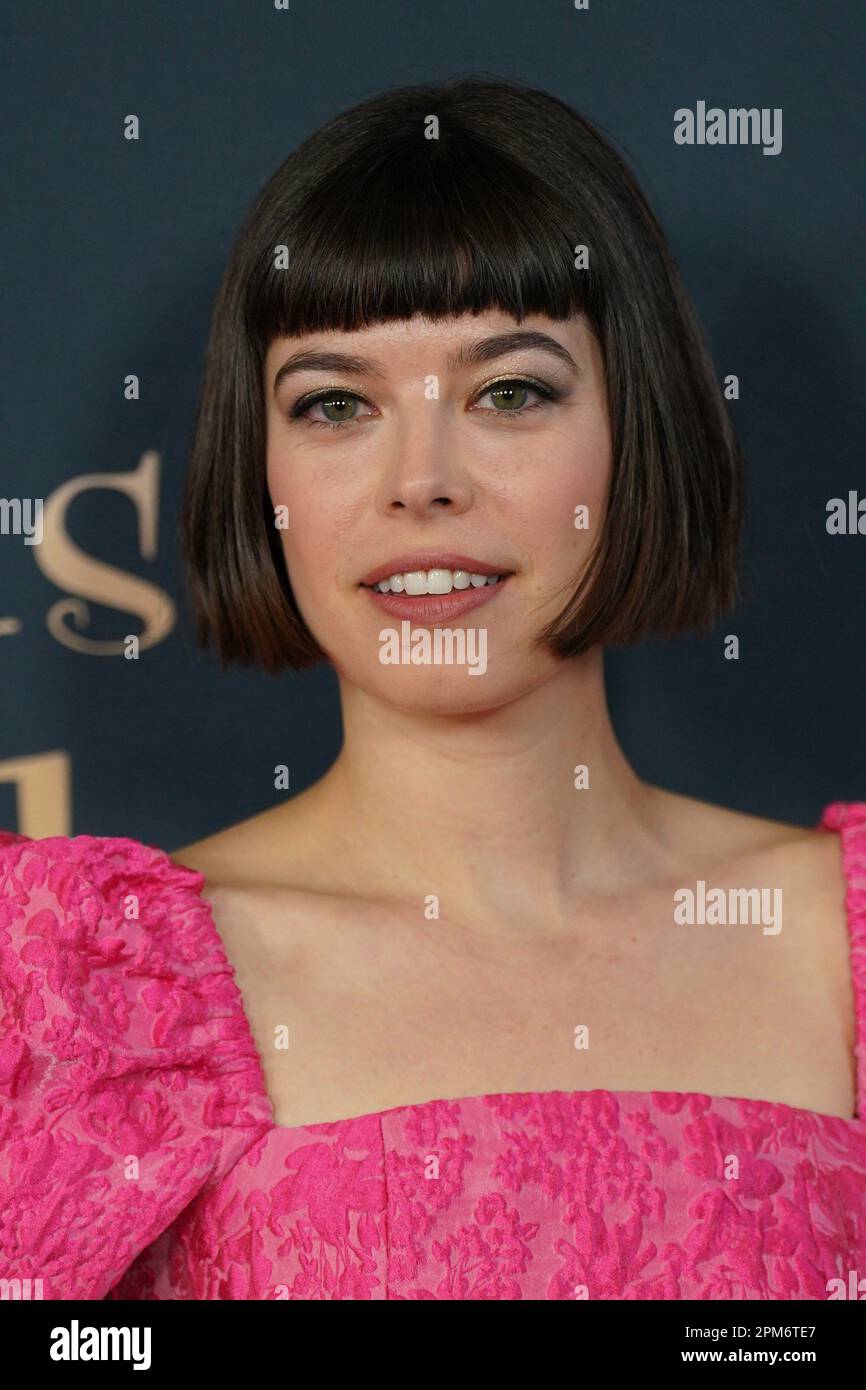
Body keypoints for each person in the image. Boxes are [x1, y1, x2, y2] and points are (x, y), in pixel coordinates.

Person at [2, 76, 864, 1302]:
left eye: (508, 390)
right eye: (335, 403)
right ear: (261, 471)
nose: (421, 480)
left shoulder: (841, 941)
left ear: (645, 427)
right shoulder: (79, 994)